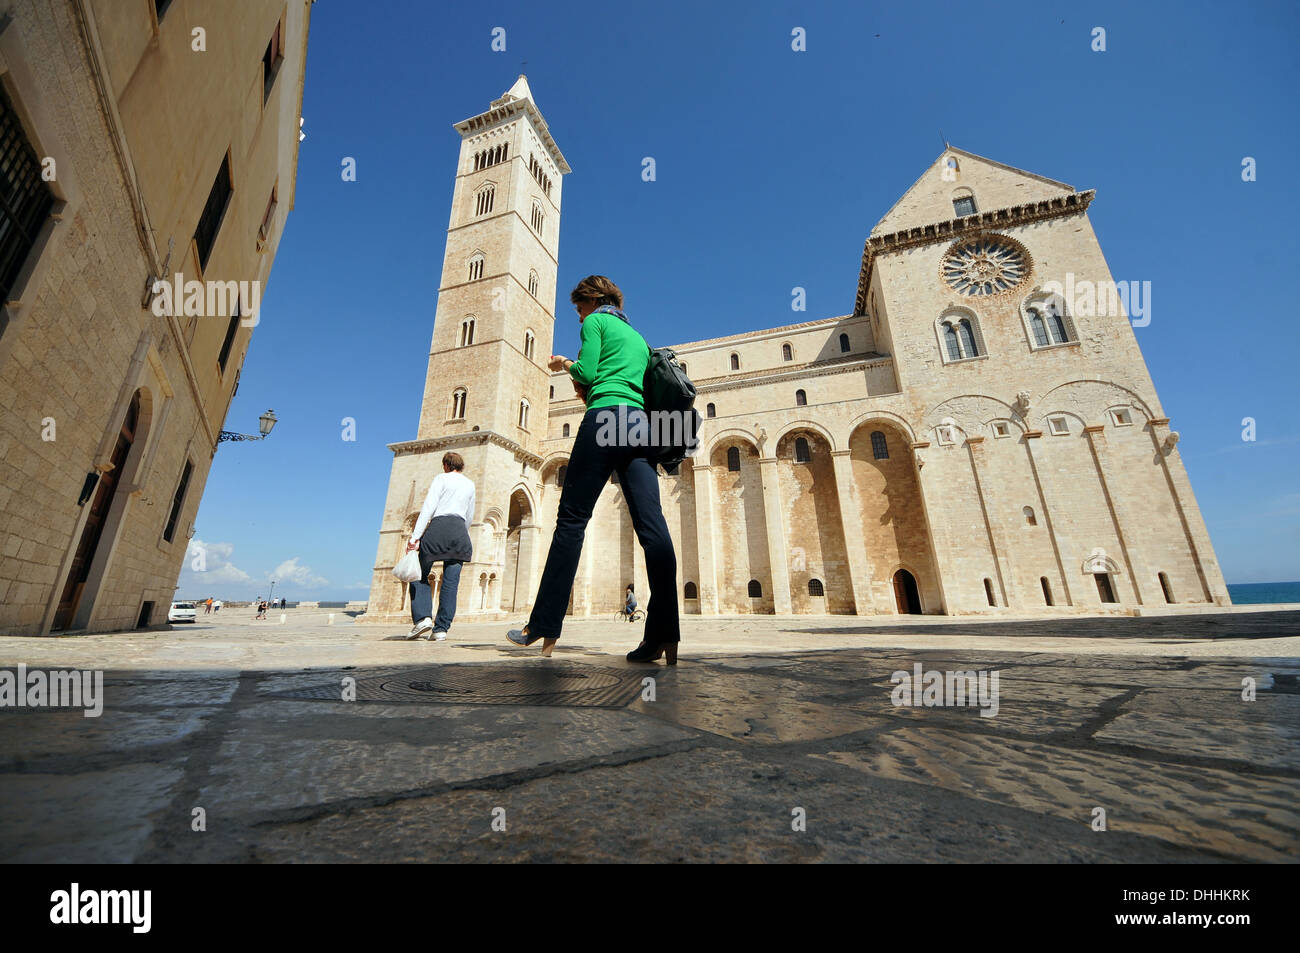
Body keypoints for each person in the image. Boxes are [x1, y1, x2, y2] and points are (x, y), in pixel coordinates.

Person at [507, 276, 679, 663]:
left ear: (591, 300)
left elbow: (586, 373)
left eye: (578, 308)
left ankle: (543, 626)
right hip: (639, 427)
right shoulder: (638, 338)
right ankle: (665, 636)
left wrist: (565, 362)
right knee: (653, 529)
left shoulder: (595, 323)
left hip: (604, 419)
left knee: (571, 521)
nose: (579, 316)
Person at [406, 451, 475, 641]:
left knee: (418, 572)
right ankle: (441, 629)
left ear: (446, 465)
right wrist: (461, 532)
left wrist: (415, 537)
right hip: (460, 532)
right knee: (451, 583)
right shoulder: (470, 484)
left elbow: (428, 507)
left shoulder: (441, 479)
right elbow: (470, 515)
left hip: (438, 528)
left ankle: (422, 618)